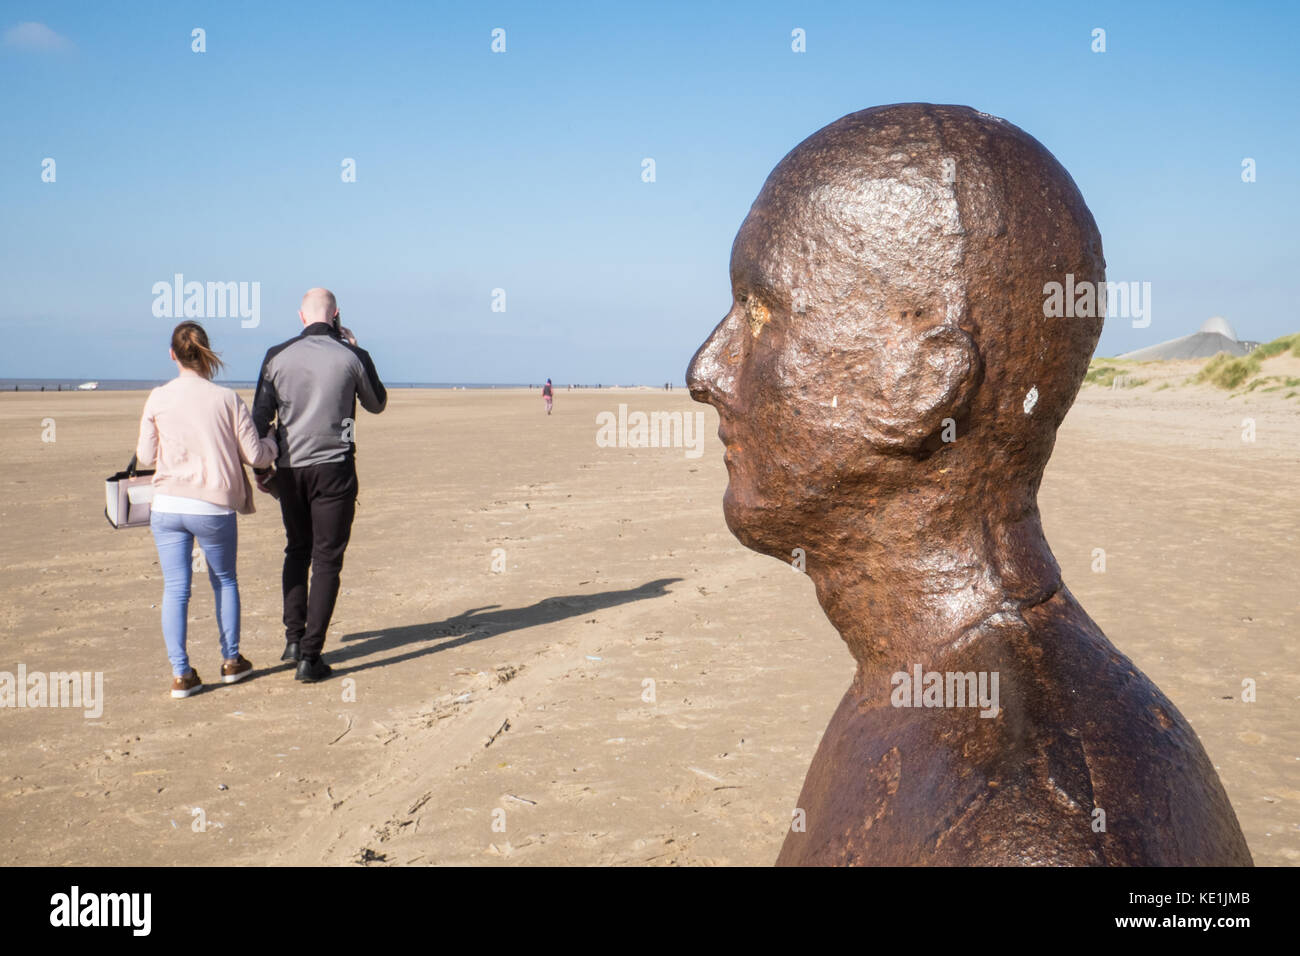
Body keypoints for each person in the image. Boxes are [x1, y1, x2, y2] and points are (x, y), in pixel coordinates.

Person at [687, 103, 1252, 866]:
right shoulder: (915, 680)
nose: (707, 370)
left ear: (923, 384)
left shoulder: (1037, 827)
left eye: (761, 312)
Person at [136, 321, 278, 698]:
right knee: (225, 581)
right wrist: (274, 442)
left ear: (172, 355)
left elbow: (145, 456)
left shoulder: (157, 397)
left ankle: (181, 674)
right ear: (206, 353)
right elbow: (255, 455)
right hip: (212, 506)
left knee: (176, 589)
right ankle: (231, 661)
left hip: (167, 505)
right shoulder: (227, 399)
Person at [252, 288, 386, 682]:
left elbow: (259, 419)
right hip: (335, 468)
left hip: (290, 469)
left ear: (301, 316)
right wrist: (359, 351)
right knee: (327, 559)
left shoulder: (277, 355)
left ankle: (294, 640)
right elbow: (376, 403)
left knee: (297, 549)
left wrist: (261, 469)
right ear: (336, 316)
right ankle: (310, 657)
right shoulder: (352, 356)